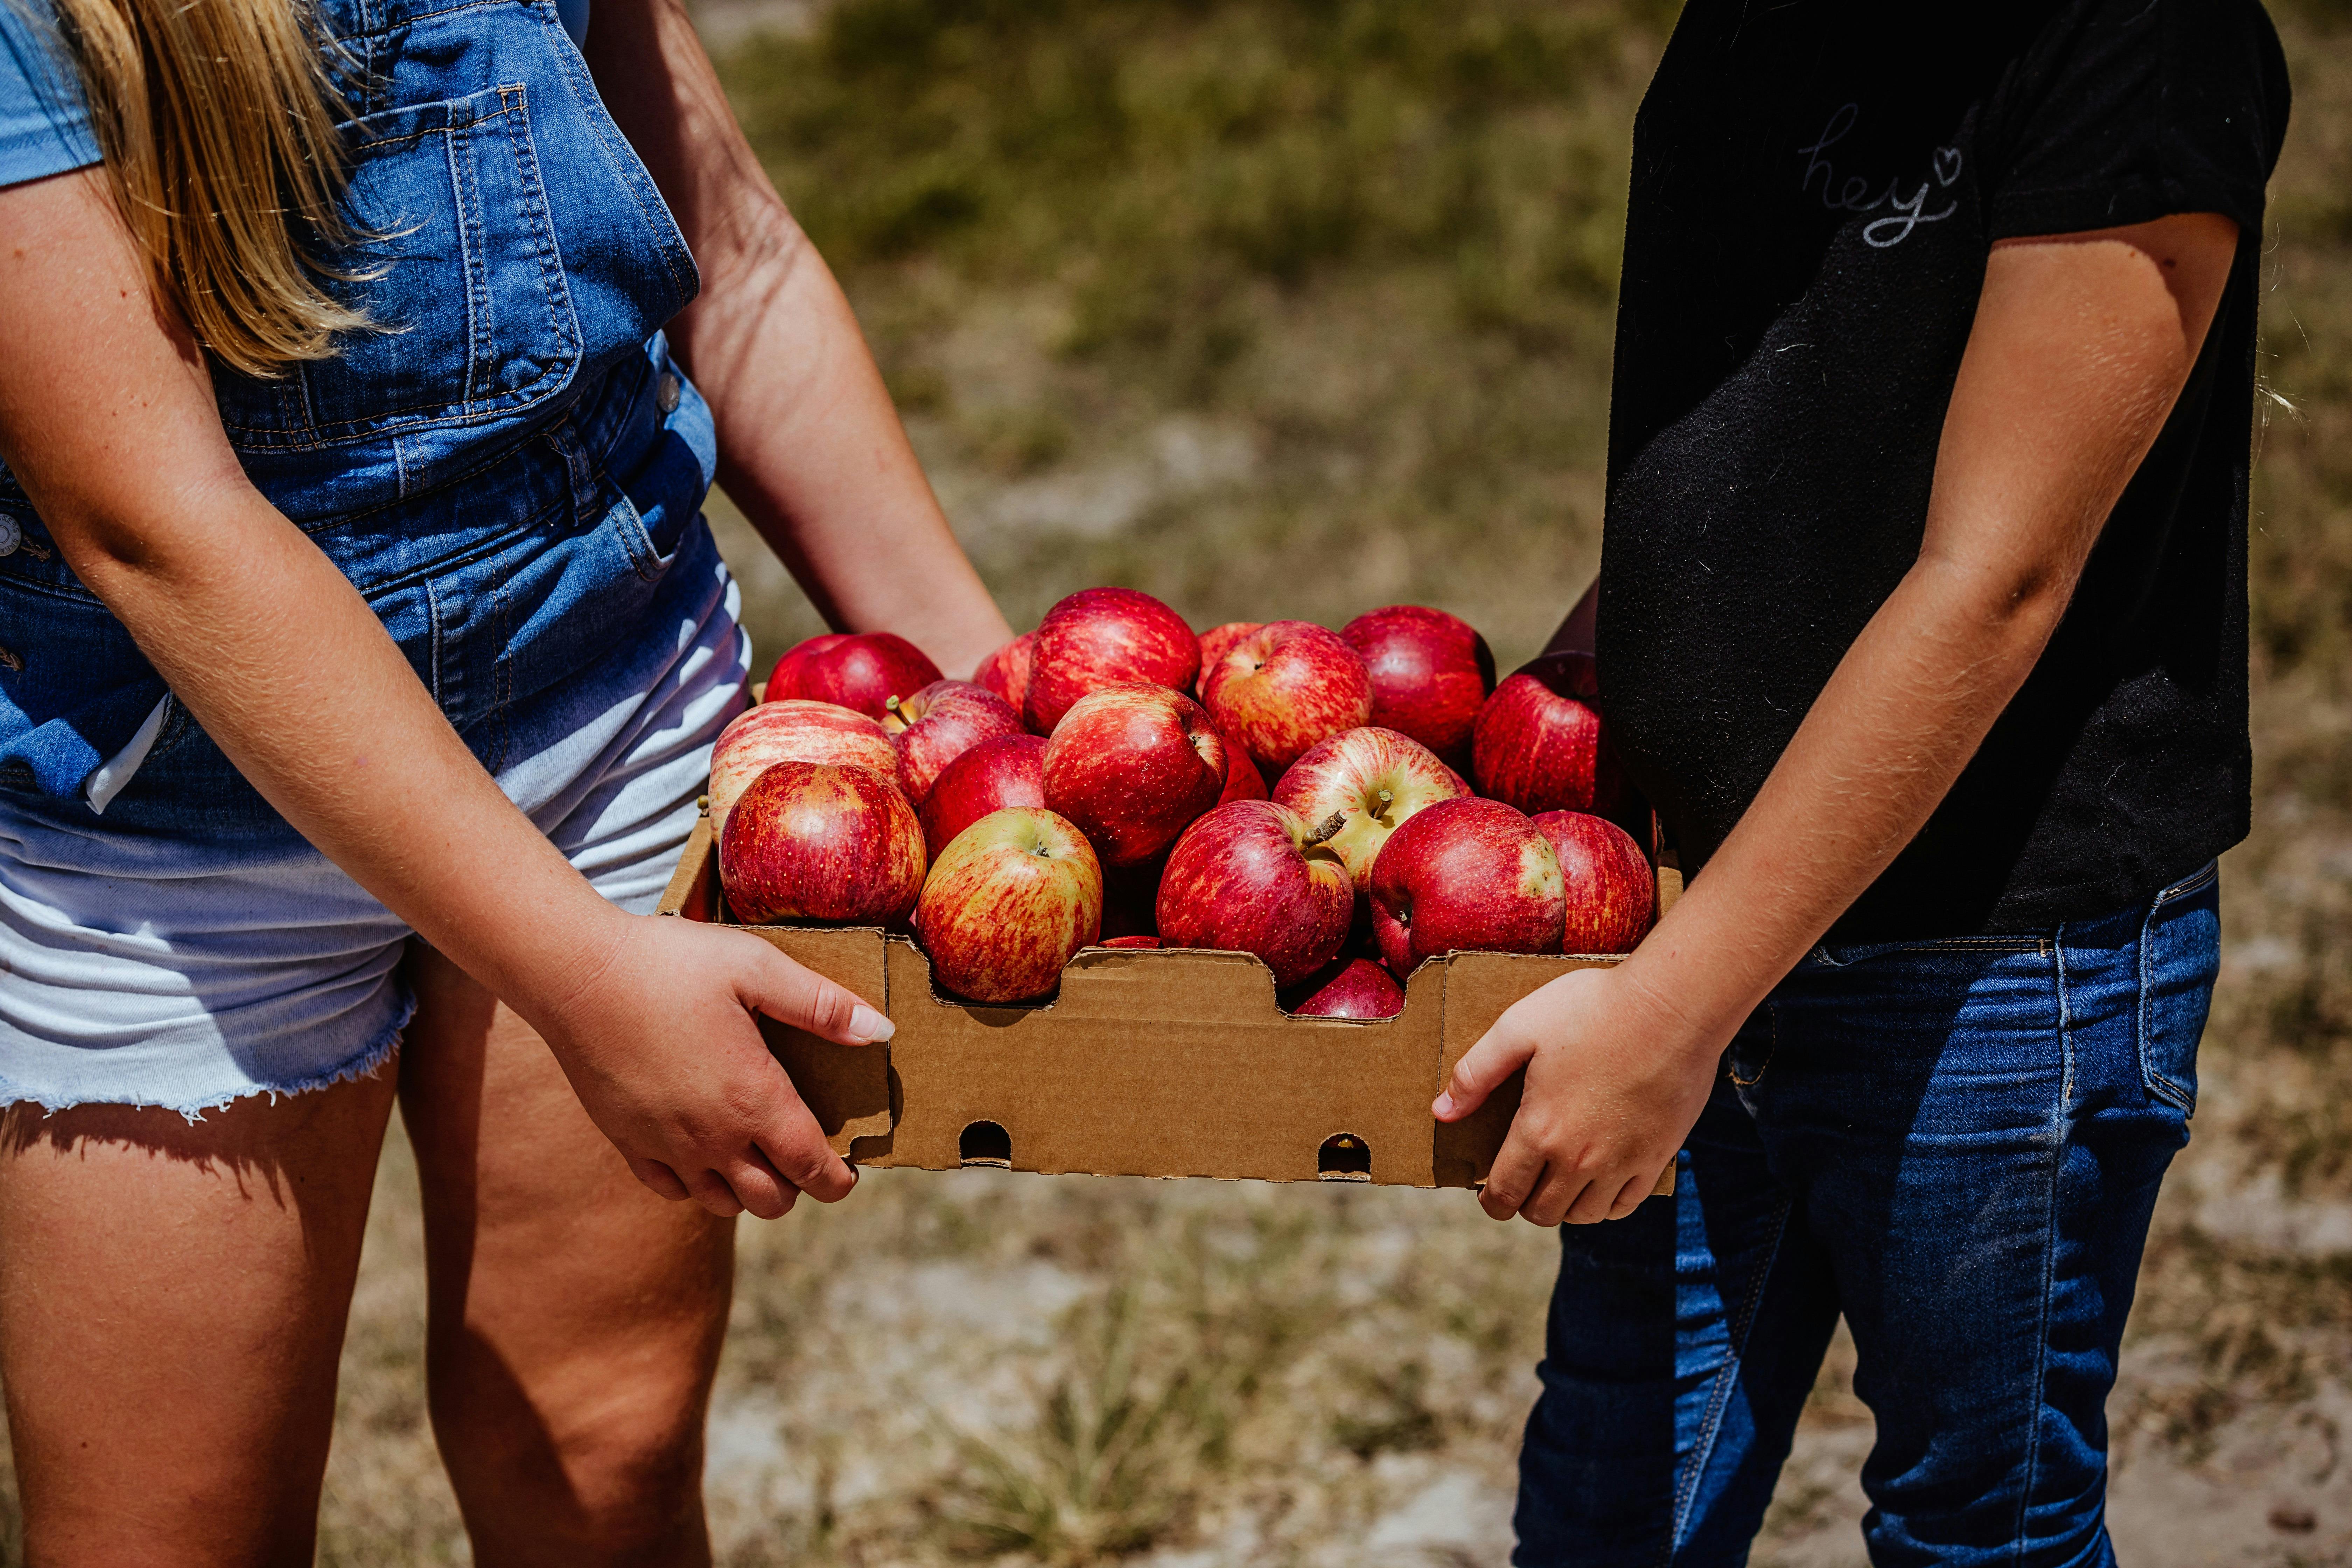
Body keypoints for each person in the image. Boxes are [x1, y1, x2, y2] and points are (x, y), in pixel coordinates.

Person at [0, 0, 1010, 1554]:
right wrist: (587, 974)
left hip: (599, 723)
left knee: (607, 1452)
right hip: (168, 844)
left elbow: (737, 266)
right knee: (171, 1530)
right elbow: (157, 527)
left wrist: (1013, 740)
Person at [1429, 2, 2291, 1563]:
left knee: (1981, 1529)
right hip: (1701, 915)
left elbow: (2000, 577)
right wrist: (1557, 694)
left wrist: (1669, 1013)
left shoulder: (2138, 42)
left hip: (1986, 960)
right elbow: (1771, 443)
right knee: (1606, 1517)